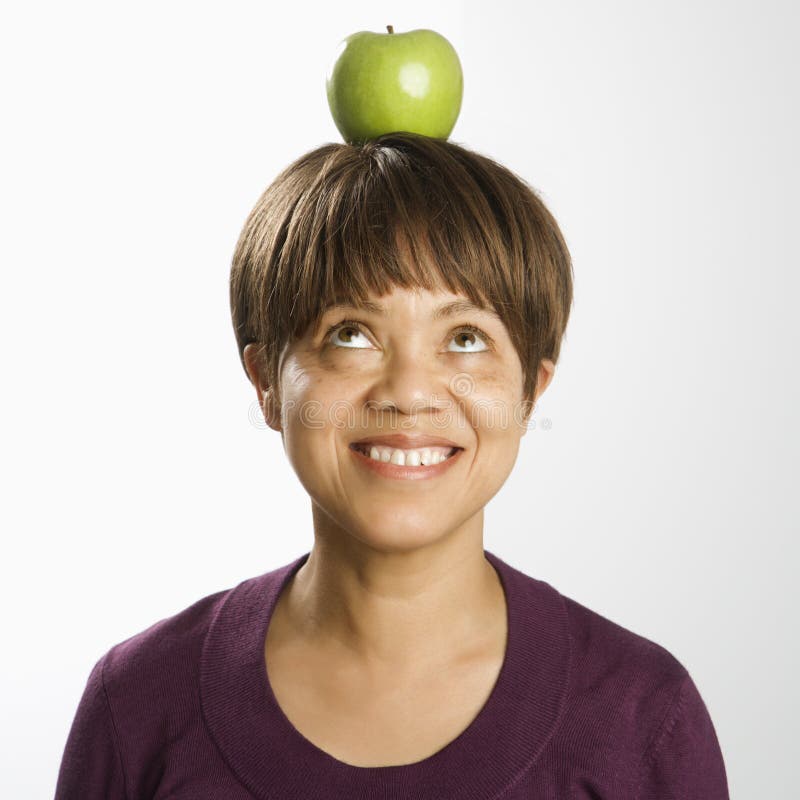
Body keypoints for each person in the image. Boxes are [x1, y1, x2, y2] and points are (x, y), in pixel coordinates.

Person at [54, 132, 729, 799]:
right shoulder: (138, 706)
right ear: (265, 381)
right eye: (351, 333)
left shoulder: (641, 718)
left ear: (531, 390)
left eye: (465, 339)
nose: (408, 392)